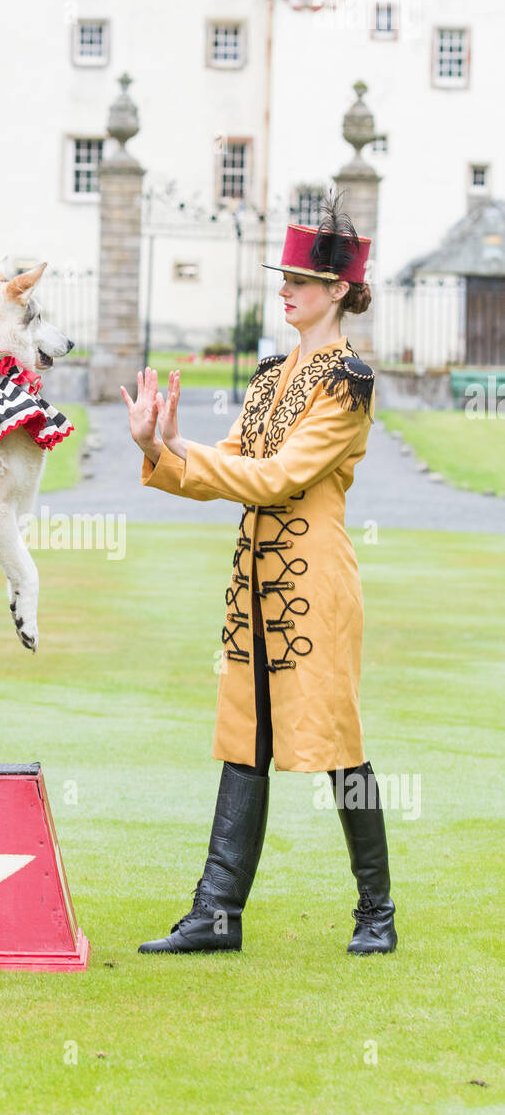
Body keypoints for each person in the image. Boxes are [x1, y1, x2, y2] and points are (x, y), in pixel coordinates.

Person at [120, 191, 396, 957]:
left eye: (301, 280)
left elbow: (277, 478)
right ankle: (217, 916)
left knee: (339, 744)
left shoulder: (348, 382)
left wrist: (181, 452)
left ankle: (377, 910)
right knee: (245, 741)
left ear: (337, 290)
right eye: (285, 278)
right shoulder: (272, 375)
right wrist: (160, 448)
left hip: (314, 588)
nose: (286, 289)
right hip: (254, 588)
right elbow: (232, 467)